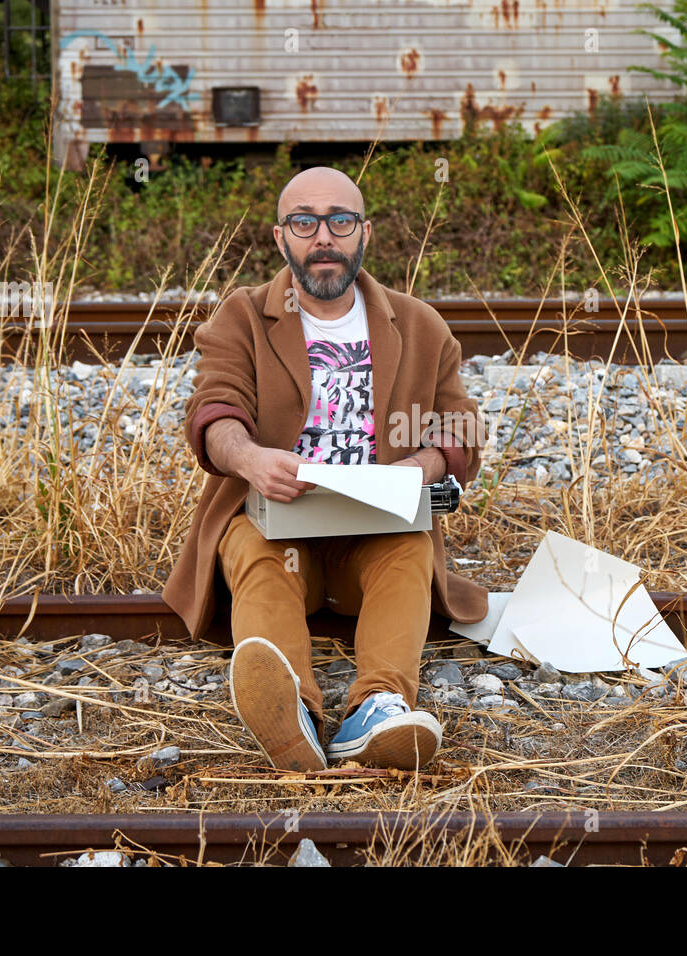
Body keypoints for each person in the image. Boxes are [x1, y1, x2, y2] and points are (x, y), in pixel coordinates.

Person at [162, 166, 488, 772]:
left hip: (372, 536)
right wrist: (251, 459)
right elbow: (214, 411)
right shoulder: (243, 316)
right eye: (304, 222)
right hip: (282, 534)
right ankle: (296, 716)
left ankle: (378, 710)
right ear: (280, 237)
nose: (324, 237)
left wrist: (426, 463)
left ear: (363, 231)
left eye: (339, 221)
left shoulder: (418, 324)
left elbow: (462, 425)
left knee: (411, 545)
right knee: (255, 547)